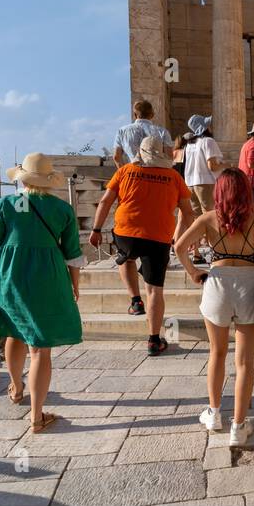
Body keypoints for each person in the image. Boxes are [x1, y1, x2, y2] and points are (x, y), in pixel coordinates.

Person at [0, 153, 84, 434]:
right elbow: (72, 255)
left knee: (14, 331)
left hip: (8, 277)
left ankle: (16, 386)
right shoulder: (61, 208)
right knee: (39, 349)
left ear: (23, 177)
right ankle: (37, 416)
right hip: (47, 278)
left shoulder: (9, 204)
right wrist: (75, 285)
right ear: (48, 180)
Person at [176, 168, 254, 447]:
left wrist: (193, 272)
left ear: (218, 192)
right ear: (246, 192)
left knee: (217, 352)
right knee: (245, 362)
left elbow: (179, 247)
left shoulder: (208, 218)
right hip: (247, 285)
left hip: (217, 284)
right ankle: (239, 426)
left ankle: (214, 414)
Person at [89, 136, 194, 354]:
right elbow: (187, 211)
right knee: (155, 289)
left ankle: (135, 301)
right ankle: (154, 341)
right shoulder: (173, 176)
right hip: (158, 235)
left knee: (125, 258)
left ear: (140, 152)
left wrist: (96, 229)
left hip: (126, 231)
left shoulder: (125, 171)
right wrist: (185, 238)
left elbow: (105, 201)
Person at [183, 114, 223, 216]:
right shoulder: (208, 141)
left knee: (197, 218)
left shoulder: (190, 144)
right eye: (208, 125)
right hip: (206, 183)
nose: (211, 126)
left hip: (190, 184)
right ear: (204, 128)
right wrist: (227, 165)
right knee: (210, 217)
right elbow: (212, 166)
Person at [113, 100, 171, 167]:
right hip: (156, 175)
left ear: (135, 115)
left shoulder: (122, 131)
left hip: (132, 173)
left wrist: (124, 172)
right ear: (152, 115)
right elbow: (169, 157)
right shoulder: (162, 132)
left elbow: (116, 157)